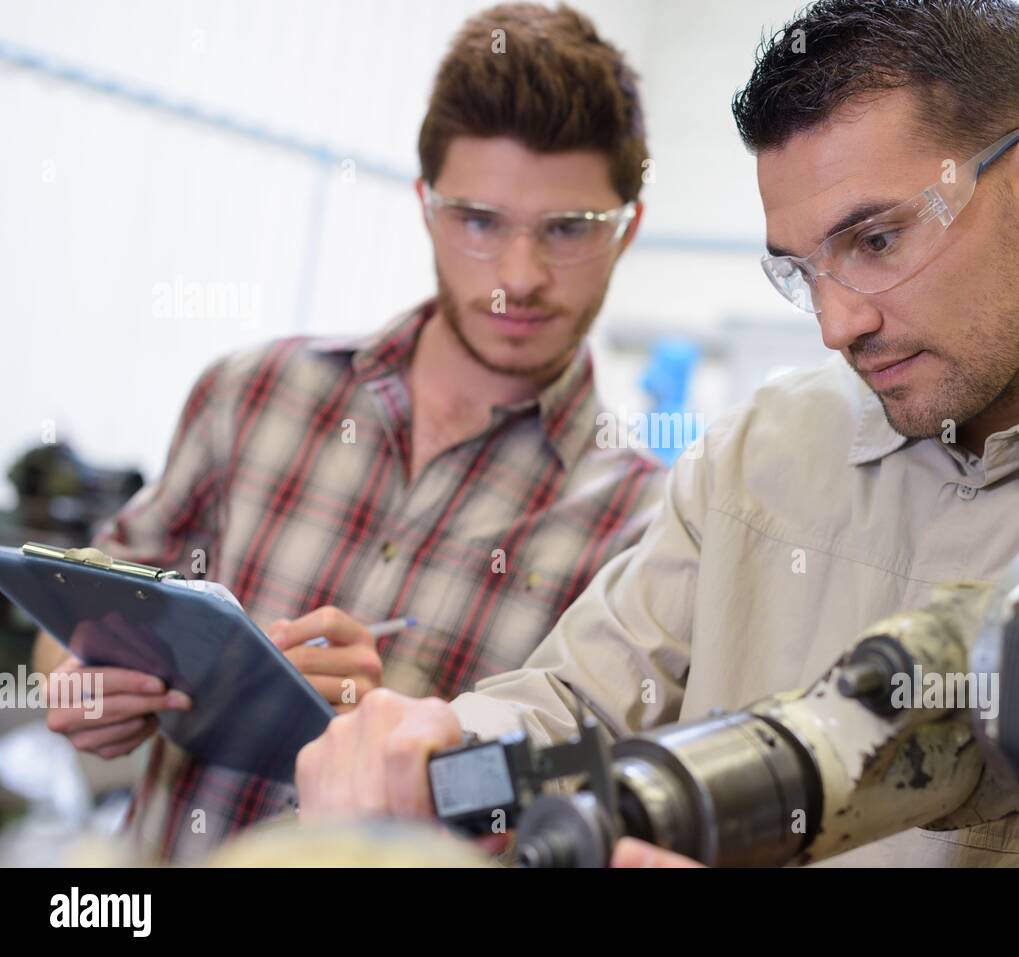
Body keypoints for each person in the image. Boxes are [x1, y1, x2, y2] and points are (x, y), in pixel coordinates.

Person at [301, 0, 1019, 866]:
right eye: (799, 268)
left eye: (876, 240)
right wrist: (437, 749)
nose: (837, 324)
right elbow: (574, 705)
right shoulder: (763, 452)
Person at [34, 2, 664, 864]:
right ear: (426, 208)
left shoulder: (648, 528)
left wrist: (417, 747)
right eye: (479, 221)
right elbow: (83, 613)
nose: (520, 277)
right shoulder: (251, 392)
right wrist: (88, 686)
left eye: (567, 230)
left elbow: (608, 813)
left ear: (626, 228)